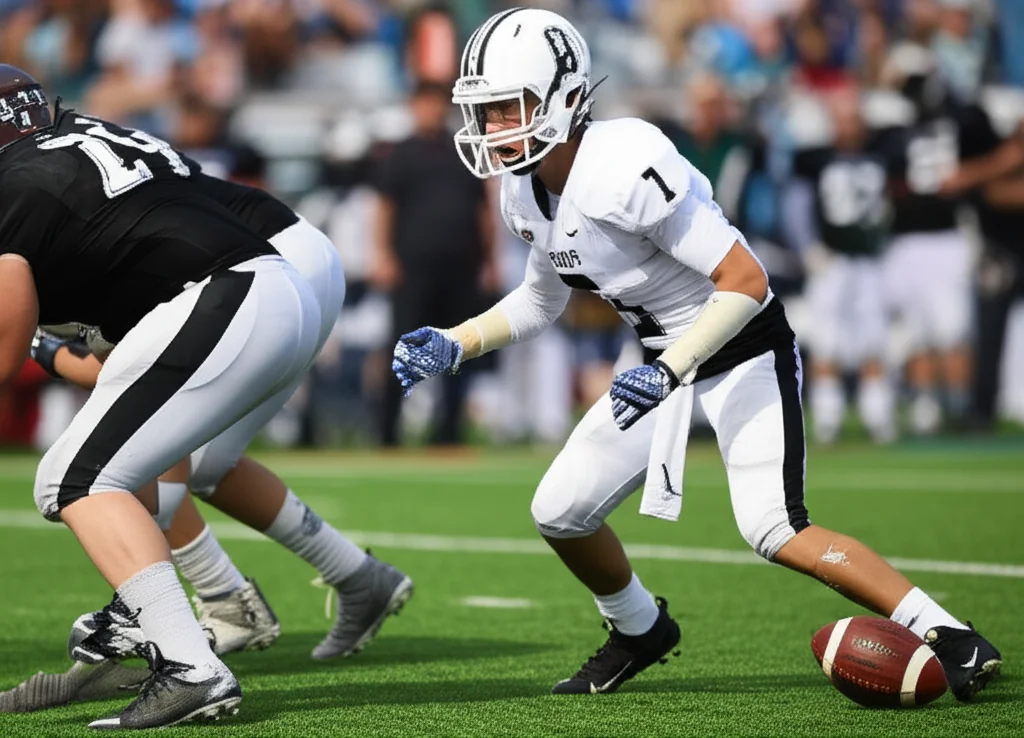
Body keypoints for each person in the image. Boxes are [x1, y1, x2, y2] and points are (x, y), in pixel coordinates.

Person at [391, 8, 1001, 700]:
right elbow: (541, 300)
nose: (493, 127)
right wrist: (455, 341)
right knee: (559, 509)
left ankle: (948, 631)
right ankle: (640, 628)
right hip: (661, 368)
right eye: (487, 111)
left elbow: (745, 281)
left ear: (561, 98)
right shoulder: (526, 190)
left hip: (740, 348)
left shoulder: (621, 162)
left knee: (774, 528)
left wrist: (668, 369)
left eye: (507, 108)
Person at [0, 63, 343, 728]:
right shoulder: (75, 148)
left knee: (76, 479)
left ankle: (192, 666)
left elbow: (8, 339)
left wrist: (38, 346)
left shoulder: (15, 182)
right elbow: (114, 364)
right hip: (264, 289)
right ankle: (142, 624)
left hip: (226, 296)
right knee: (115, 464)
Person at [372, 79, 498, 447]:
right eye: (425, 102)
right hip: (413, 269)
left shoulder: (462, 150)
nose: (431, 110)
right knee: (404, 348)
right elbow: (384, 208)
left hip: (461, 267)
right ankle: (387, 433)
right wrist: (383, 255)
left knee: (458, 349)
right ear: (413, 106)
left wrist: (491, 261)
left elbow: (483, 209)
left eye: (437, 102)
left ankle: (449, 432)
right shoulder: (401, 154)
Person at [785, 88, 895, 444]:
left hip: (868, 260)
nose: (848, 125)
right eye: (842, 118)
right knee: (827, 338)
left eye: (853, 117)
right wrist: (808, 248)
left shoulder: (880, 155)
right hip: (831, 261)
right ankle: (828, 419)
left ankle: (877, 415)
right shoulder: (815, 160)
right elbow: (795, 205)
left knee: (873, 338)